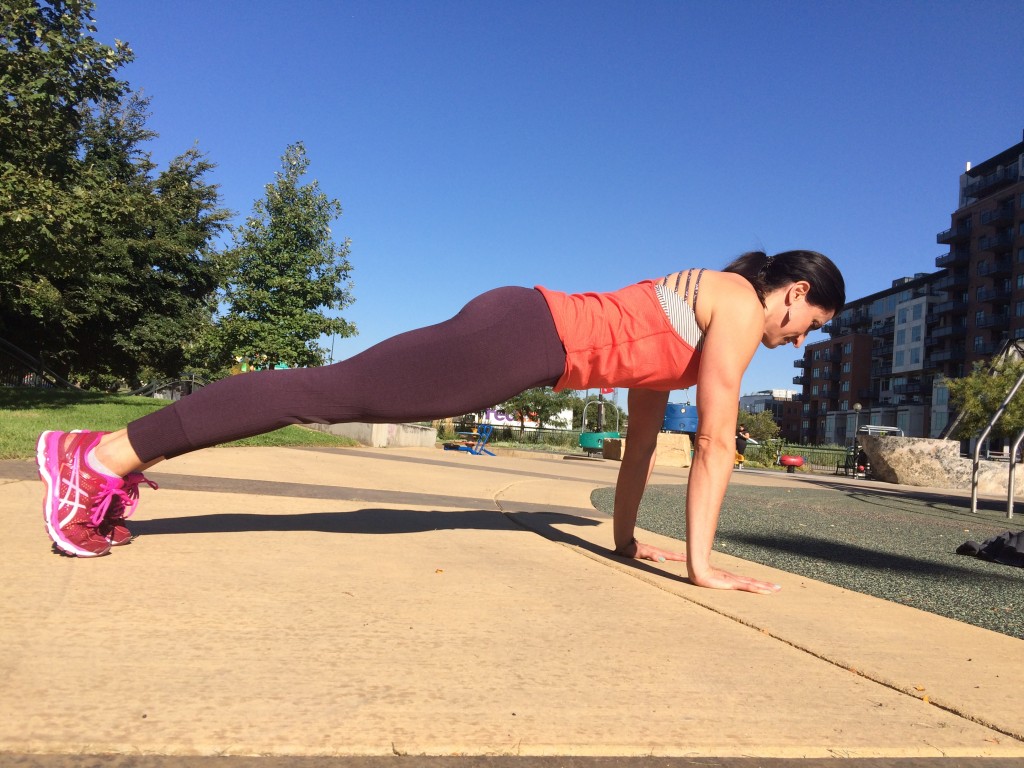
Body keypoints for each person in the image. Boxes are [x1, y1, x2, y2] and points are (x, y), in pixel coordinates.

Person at [36, 250, 844, 594]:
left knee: (331, 388)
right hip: (523, 335)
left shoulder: (698, 321)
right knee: (328, 393)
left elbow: (641, 445)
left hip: (523, 328)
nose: (799, 339)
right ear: (796, 293)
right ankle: (101, 457)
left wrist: (627, 541)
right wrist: (704, 567)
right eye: (810, 325)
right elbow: (713, 443)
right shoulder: (738, 303)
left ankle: (99, 456)